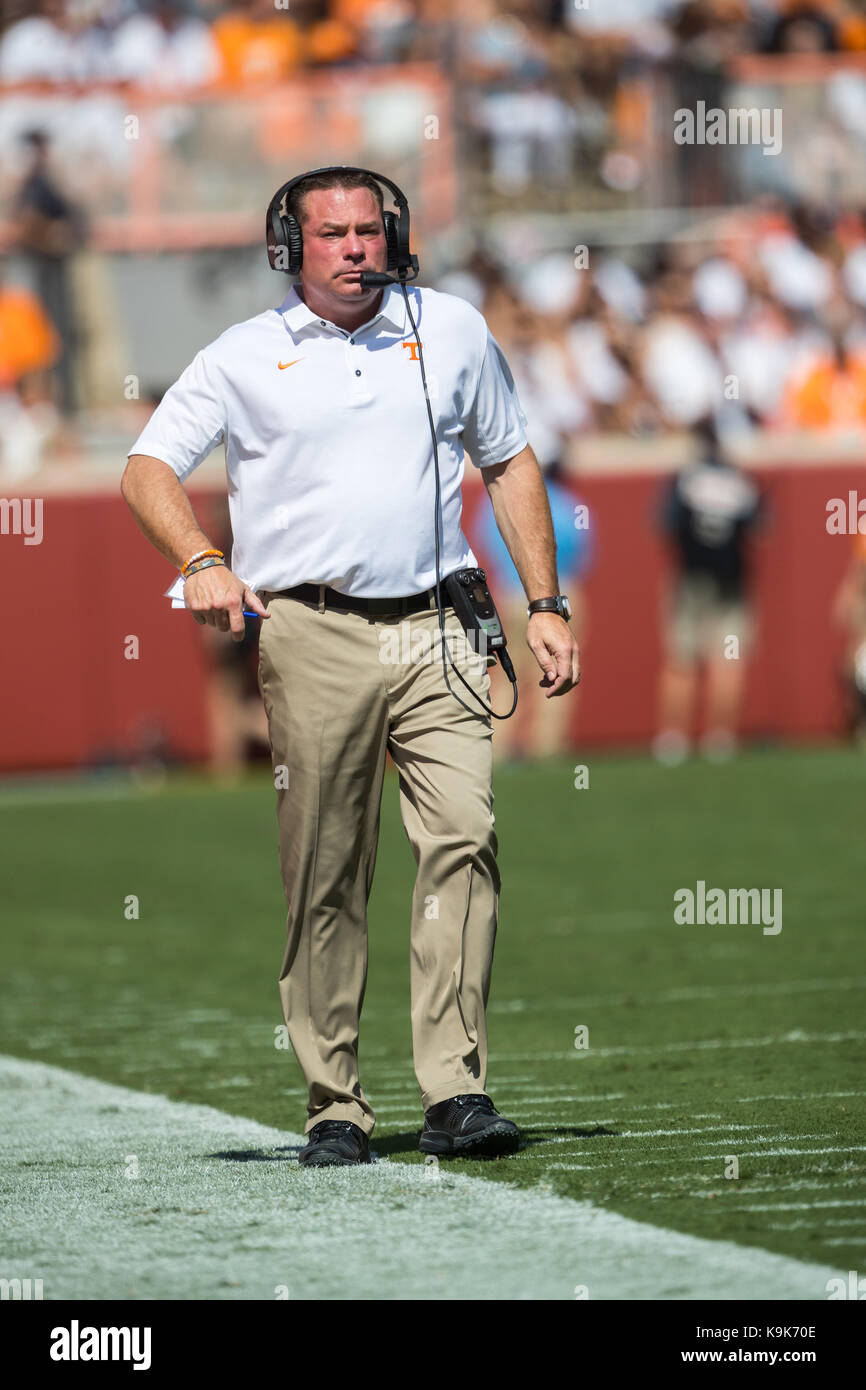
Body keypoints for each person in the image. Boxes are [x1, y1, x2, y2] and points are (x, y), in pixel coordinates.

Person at [121, 167, 580, 1167]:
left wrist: (542, 602)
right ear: (291, 246)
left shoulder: (451, 328)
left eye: (369, 229)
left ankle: (456, 1089)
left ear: (396, 234)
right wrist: (201, 558)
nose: (355, 248)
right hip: (311, 628)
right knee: (327, 867)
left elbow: (506, 458)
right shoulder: (243, 354)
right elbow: (147, 464)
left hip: (439, 622)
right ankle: (335, 1099)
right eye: (331, 233)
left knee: (464, 834)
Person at [653, 415, 762, 763]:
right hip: (731, 583)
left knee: (681, 661)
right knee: (728, 661)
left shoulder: (686, 479)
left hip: (691, 581)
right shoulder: (739, 481)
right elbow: (761, 527)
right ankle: (720, 739)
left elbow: (664, 524)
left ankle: (673, 739)